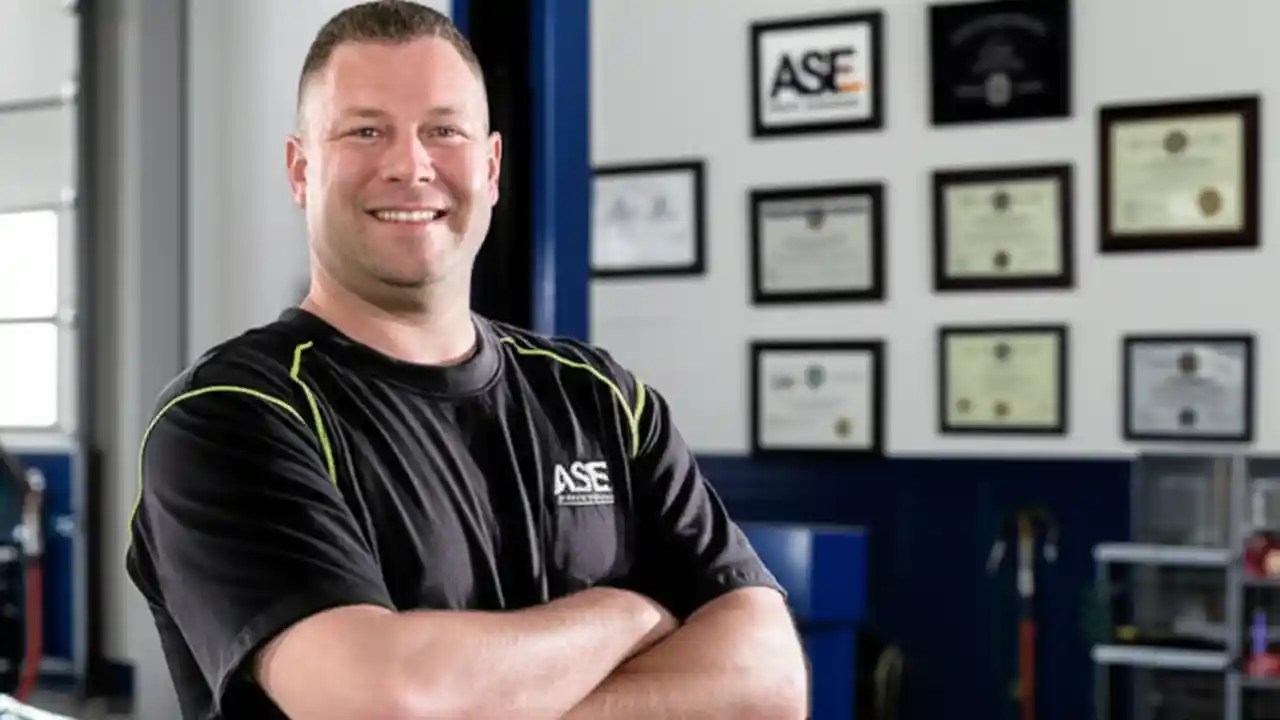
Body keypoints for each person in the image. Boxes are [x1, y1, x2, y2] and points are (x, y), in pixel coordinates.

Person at [125, 1, 809, 718]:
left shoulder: (602, 400)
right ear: (301, 170)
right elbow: (382, 704)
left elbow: (768, 684)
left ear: (490, 168)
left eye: (442, 131)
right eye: (366, 131)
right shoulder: (232, 416)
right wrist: (628, 614)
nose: (408, 165)